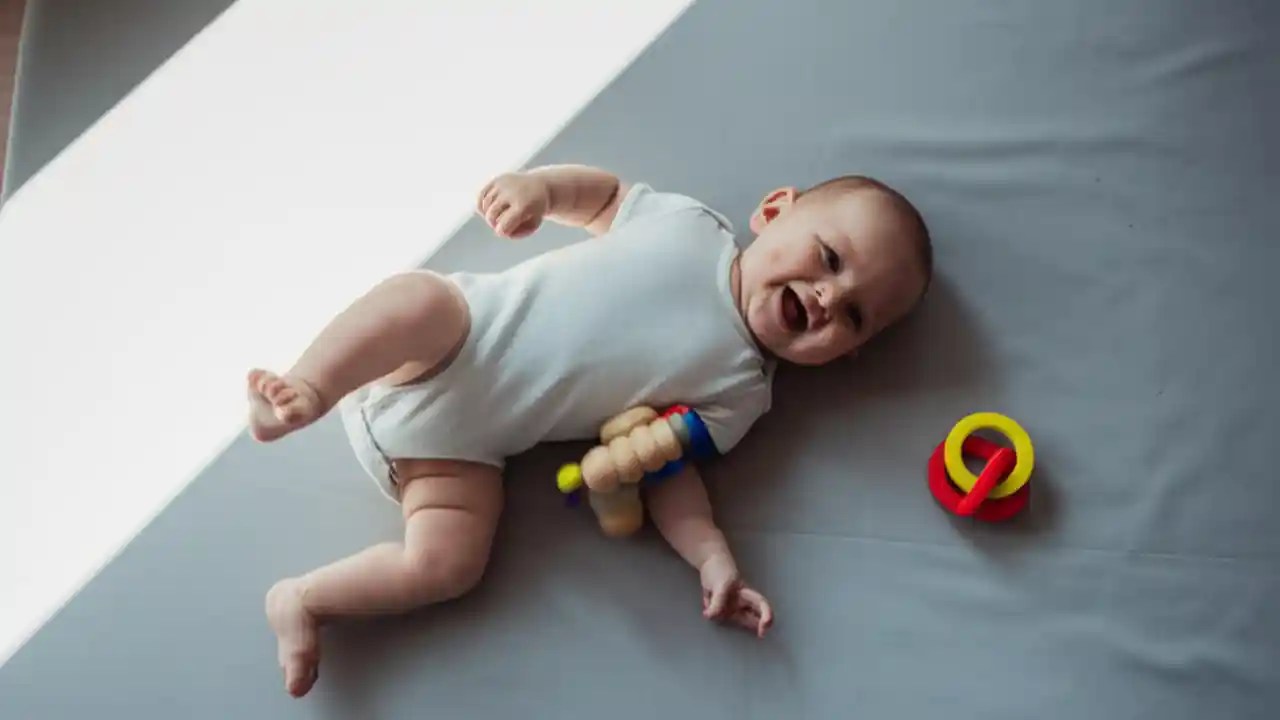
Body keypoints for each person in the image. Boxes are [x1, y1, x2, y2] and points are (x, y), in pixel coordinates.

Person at [247, 164, 933, 697]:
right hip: (452, 339)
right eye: (830, 259)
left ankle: (305, 599)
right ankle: (307, 388)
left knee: (452, 564)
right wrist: (540, 191)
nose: (826, 297)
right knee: (417, 297)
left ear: (847, 354)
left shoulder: (742, 393)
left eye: (854, 316)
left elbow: (663, 466)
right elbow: (605, 198)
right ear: (775, 210)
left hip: (455, 455)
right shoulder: (692, 226)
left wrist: (711, 556)